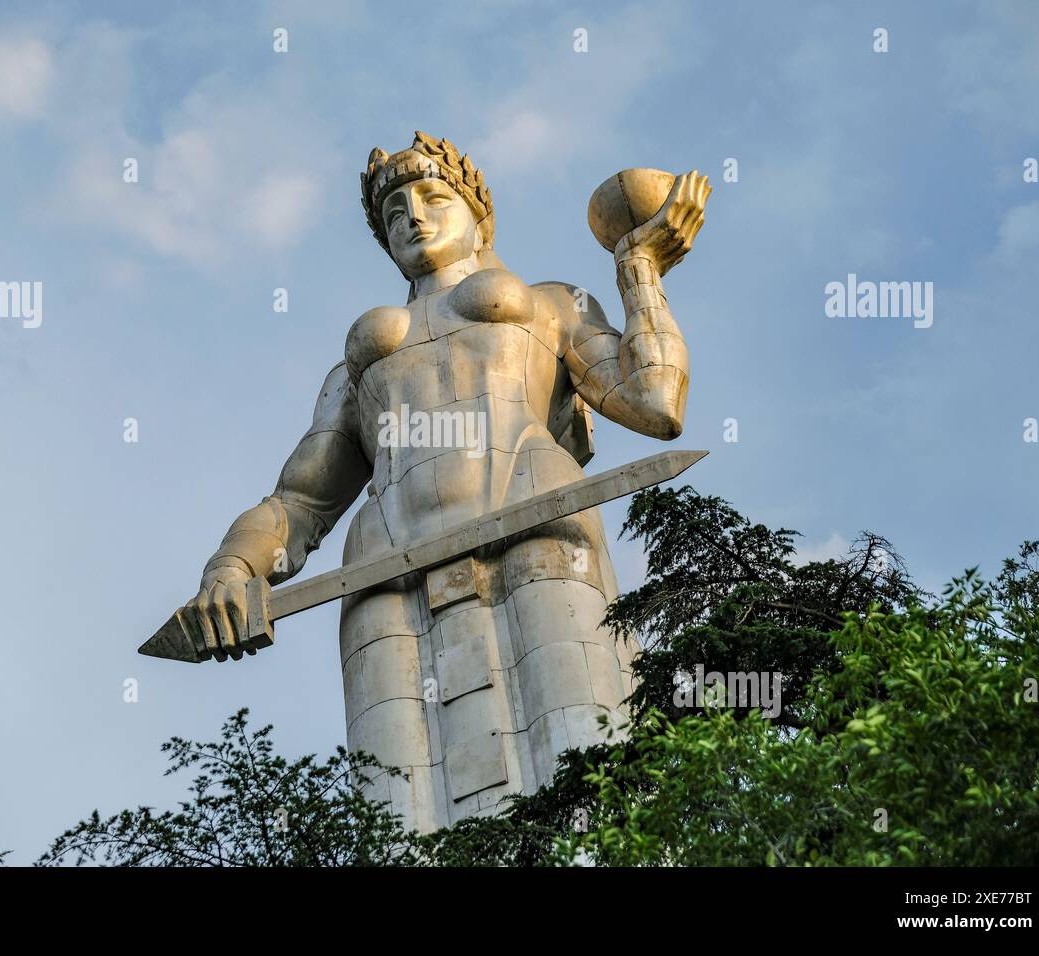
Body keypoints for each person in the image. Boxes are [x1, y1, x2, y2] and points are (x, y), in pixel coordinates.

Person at [181, 132, 710, 831]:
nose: (413, 216)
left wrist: (638, 266)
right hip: (385, 573)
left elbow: (654, 401)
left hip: (534, 522)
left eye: (434, 197)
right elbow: (298, 502)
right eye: (395, 210)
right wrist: (233, 567)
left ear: (477, 215)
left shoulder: (550, 305)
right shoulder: (357, 368)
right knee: (398, 820)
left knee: (587, 773)